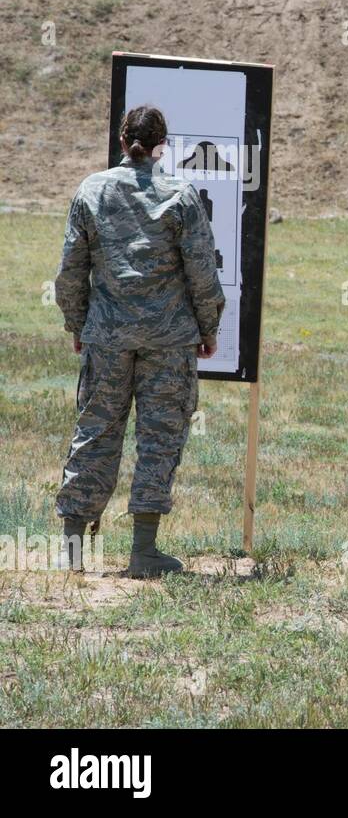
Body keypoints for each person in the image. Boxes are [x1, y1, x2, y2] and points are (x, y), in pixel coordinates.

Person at [53, 105, 225, 577]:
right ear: (161, 146)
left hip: (107, 337)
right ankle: (144, 550)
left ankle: (72, 548)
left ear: (123, 138)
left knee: (96, 431)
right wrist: (208, 330)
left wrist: (78, 325)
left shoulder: (92, 189)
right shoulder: (181, 196)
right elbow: (203, 274)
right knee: (159, 437)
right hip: (168, 341)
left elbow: (70, 271)